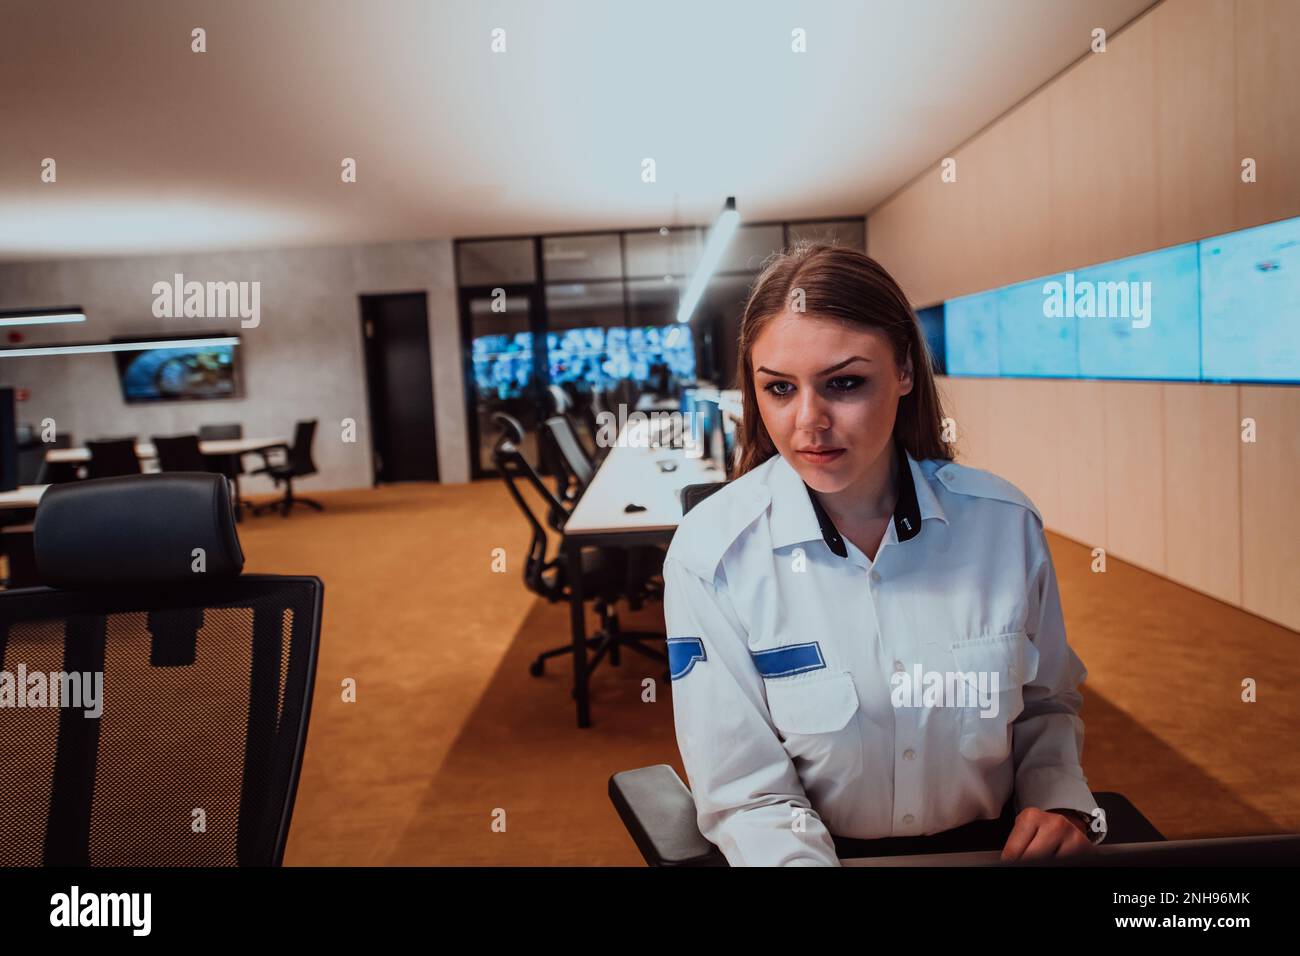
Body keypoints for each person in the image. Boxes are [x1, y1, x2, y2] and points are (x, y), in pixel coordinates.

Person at [663, 243, 1105, 866]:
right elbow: (747, 796)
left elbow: (1046, 704)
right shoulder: (711, 555)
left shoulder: (1004, 526)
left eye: (845, 383)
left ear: (904, 371)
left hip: (991, 854)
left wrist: (1057, 798)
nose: (808, 422)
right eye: (780, 389)